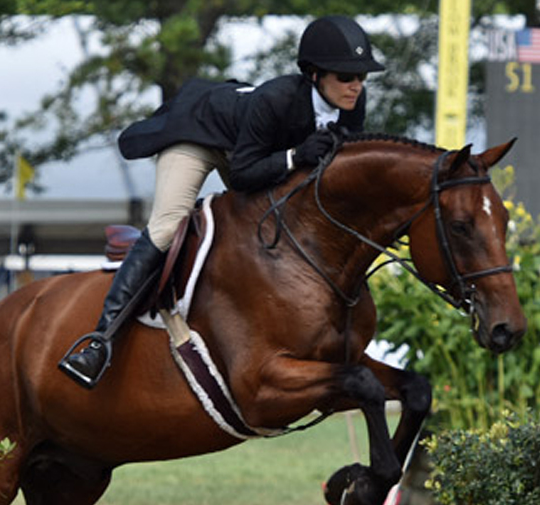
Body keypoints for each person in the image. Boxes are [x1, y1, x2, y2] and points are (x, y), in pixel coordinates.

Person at [59, 16, 385, 389]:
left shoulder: (351, 104)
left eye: (362, 76)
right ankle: (100, 342)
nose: (356, 85)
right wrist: (295, 156)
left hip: (253, 149)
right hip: (200, 137)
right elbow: (245, 174)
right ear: (314, 74)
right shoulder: (276, 98)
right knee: (168, 226)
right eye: (347, 77)